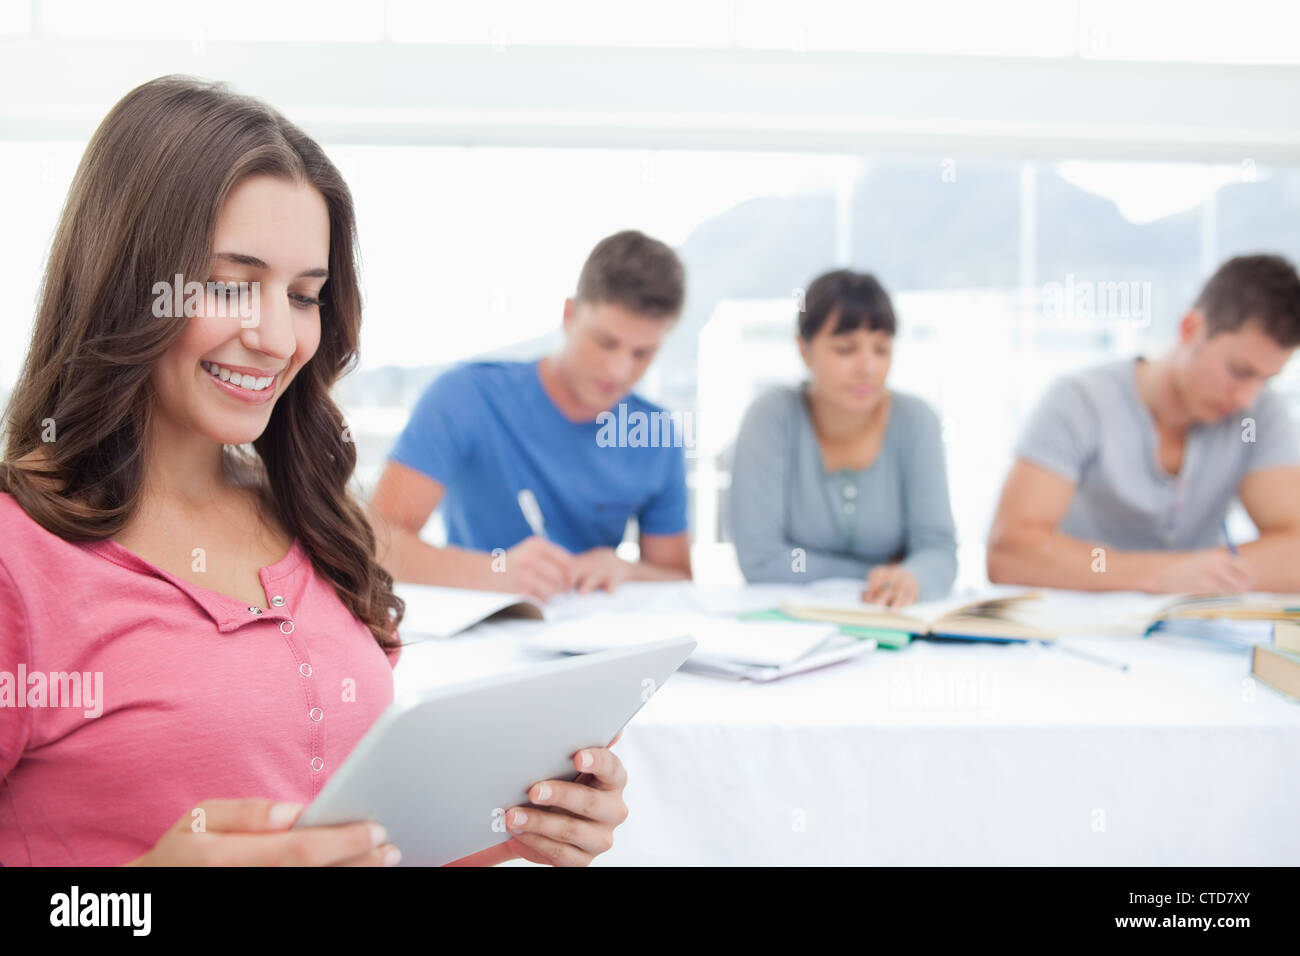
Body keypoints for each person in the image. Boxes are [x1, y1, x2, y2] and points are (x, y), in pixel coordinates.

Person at [0, 76, 627, 867]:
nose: (275, 337)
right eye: (231, 285)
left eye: (303, 295)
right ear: (127, 281)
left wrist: (516, 820)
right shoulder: (18, 562)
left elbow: (354, 841)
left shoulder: (313, 523)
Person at [370, 230, 693, 603]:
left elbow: (677, 579)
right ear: (569, 316)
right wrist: (494, 573)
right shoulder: (465, 397)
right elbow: (376, 543)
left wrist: (625, 569)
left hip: (591, 636)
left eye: (643, 353)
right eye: (606, 342)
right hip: (476, 635)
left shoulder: (655, 432)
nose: (620, 371)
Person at [987, 254, 1300, 594]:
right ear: (1191, 329)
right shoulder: (1081, 402)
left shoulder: (1253, 422)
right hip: (1079, 626)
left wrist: (1206, 572)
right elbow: (1011, 552)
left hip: (1190, 634)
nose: (1246, 399)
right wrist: (1162, 574)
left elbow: (1294, 551)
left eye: (1265, 381)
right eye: (1239, 372)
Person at [728, 269, 957, 607]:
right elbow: (761, 560)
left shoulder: (916, 421)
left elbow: (938, 551)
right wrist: (875, 574)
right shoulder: (771, 417)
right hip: (791, 622)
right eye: (845, 349)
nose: (867, 367)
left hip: (889, 619)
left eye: (881, 349)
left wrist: (912, 578)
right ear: (804, 350)